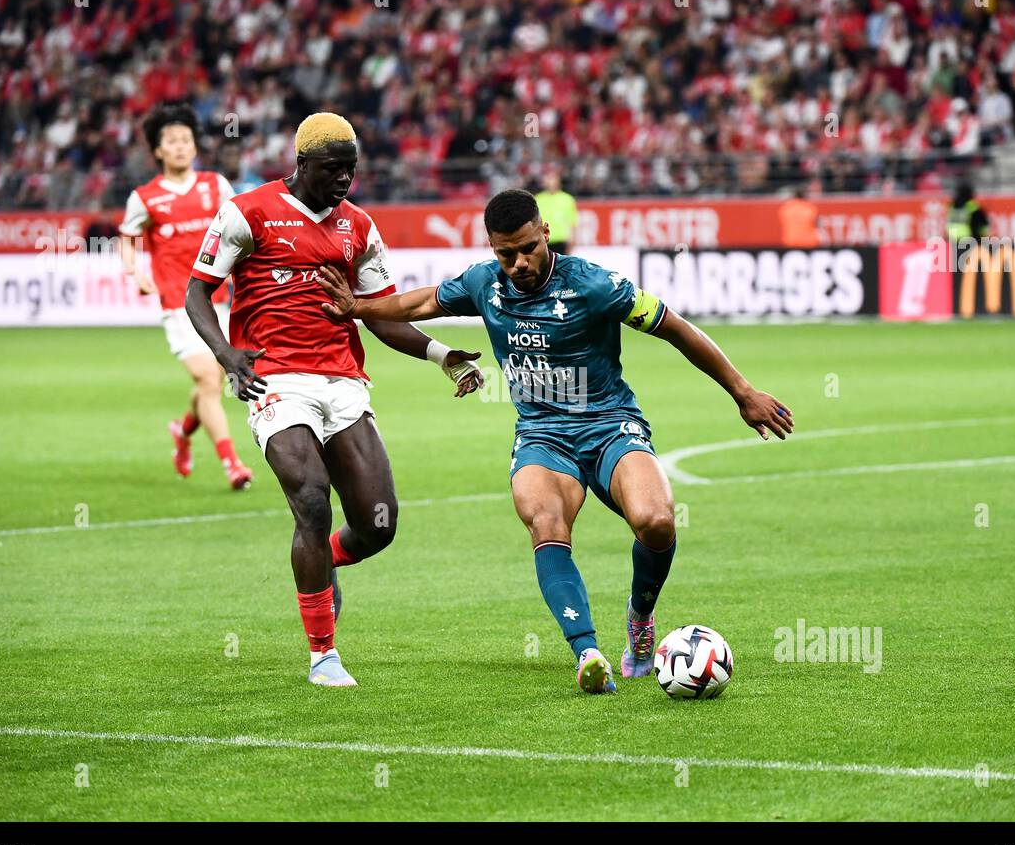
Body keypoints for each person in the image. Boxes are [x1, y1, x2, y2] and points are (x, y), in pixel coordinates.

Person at [315, 189, 792, 694]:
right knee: (545, 519)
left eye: (527, 249)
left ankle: (640, 618)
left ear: (546, 233)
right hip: (542, 435)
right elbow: (426, 300)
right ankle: (587, 652)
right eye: (505, 253)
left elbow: (676, 328)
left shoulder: (595, 285)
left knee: (656, 521)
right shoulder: (484, 283)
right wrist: (359, 308)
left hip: (610, 423)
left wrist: (742, 392)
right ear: (491, 247)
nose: (518, 263)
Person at [185, 112, 483, 687]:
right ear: (301, 164)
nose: (346, 178)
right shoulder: (247, 212)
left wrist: (442, 355)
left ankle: (321, 565)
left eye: (352, 168)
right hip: (275, 379)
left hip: (344, 383)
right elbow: (198, 292)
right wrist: (227, 355)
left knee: (378, 524)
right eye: (333, 168)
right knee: (312, 501)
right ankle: (324, 654)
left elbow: (383, 316)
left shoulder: (360, 227)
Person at [118, 105, 251, 489]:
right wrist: (135, 271)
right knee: (211, 376)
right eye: (171, 142)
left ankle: (182, 430)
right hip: (178, 305)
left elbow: (238, 234)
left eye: (185, 141)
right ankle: (233, 464)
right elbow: (126, 241)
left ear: (195, 147)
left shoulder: (216, 186)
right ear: (158, 151)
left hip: (222, 302)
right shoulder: (144, 198)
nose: (179, 147)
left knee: (212, 384)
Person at [534, 169, 578, 254]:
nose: (551, 182)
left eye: (553, 179)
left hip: (561, 240)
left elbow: (573, 221)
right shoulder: (538, 199)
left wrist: (573, 239)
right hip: (544, 240)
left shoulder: (567, 199)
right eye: (549, 179)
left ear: (558, 181)